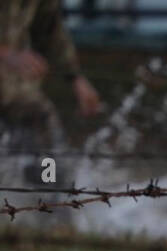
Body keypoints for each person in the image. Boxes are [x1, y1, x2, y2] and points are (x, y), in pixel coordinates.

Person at [0, 0, 102, 156]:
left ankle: (50, 177)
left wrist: (75, 78)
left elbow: (50, 31)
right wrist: (6, 54)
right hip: (9, 70)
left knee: (44, 130)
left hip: (12, 88)